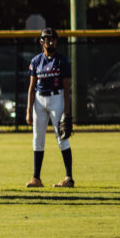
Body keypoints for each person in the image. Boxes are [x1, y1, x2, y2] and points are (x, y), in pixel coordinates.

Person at [25, 27, 74, 188]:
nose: (51, 42)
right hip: (39, 100)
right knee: (37, 139)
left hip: (56, 98)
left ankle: (68, 178)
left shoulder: (61, 61)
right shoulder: (36, 61)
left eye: (53, 39)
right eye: (47, 39)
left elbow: (67, 88)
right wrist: (28, 110)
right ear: (41, 42)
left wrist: (66, 111)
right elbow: (32, 87)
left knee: (62, 138)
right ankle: (36, 178)